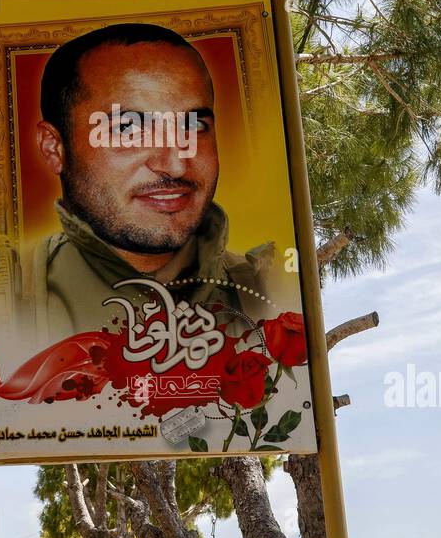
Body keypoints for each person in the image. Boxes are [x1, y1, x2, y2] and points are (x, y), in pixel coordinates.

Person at [18, 23, 276, 347]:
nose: (175, 163)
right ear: (54, 148)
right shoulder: (1, 300)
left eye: (193, 125)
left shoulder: (271, 293)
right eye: (129, 127)